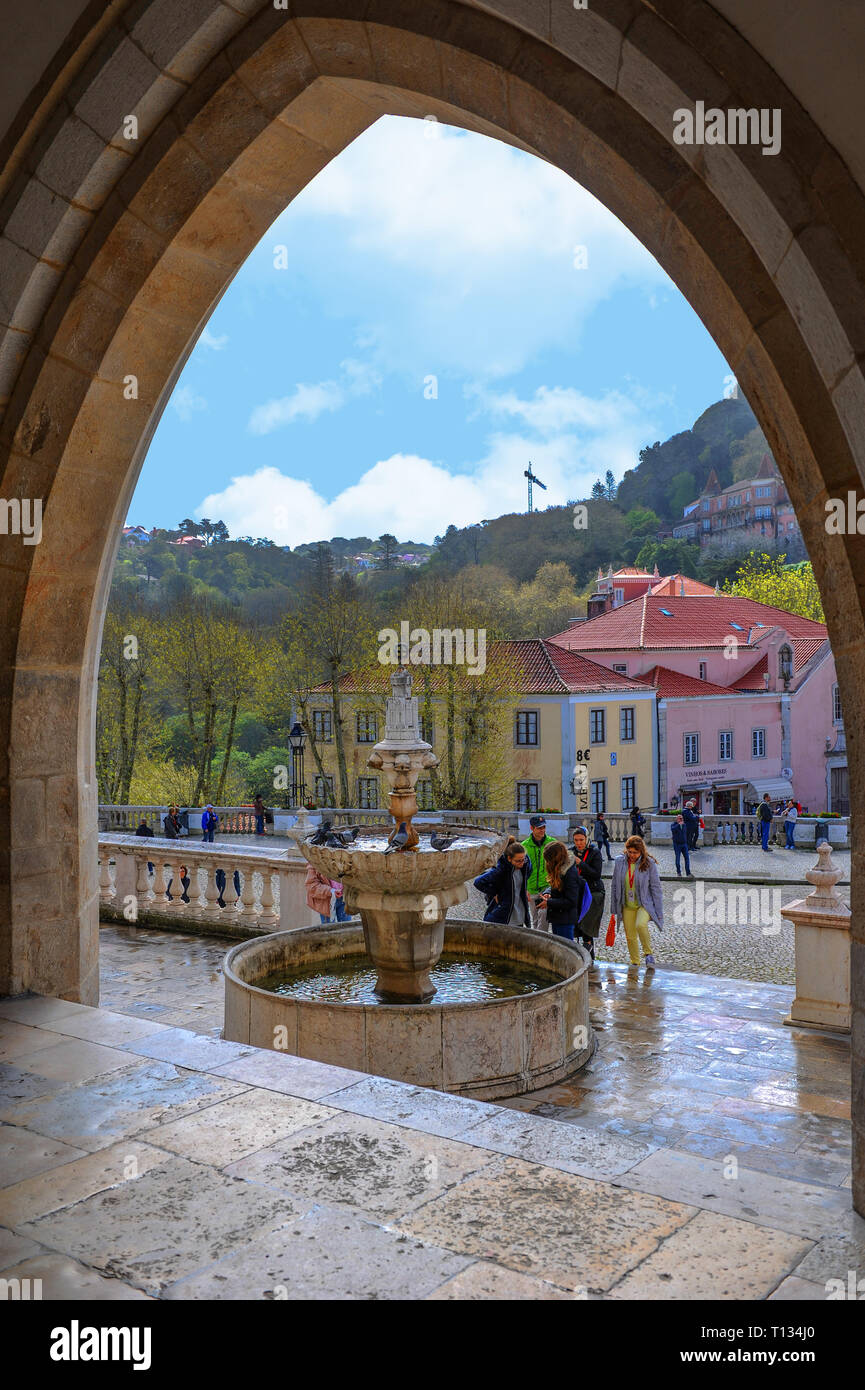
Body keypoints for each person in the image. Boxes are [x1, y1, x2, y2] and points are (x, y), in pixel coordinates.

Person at [610, 835, 664, 970]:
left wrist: (658, 911)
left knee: (640, 925)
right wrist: (614, 908)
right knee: (630, 936)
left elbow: (656, 888)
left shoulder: (649, 863)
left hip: (644, 904)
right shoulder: (619, 862)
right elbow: (614, 885)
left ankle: (648, 954)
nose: (632, 855)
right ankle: (635, 962)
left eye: (635, 852)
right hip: (627, 904)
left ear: (641, 852)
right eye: (630, 852)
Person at [538, 840, 591, 943]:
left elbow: (571, 901)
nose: (547, 863)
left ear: (555, 859)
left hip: (565, 920)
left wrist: (549, 902)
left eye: (548, 860)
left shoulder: (569, 874)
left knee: (565, 949)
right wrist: (548, 893)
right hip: (558, 917)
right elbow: (555, 886)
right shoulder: (561, 868)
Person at [473, 837, 531, 927]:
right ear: (509, 859)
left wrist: (524, 888)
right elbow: (478, 882)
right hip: (503, 915)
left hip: (520, 915)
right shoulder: (501, 869)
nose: (522, 863)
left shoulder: (526, 866)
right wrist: (494, 892)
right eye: (518, 861)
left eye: (523, 859)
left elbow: (528, 872)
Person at [570, 825, 605, 958]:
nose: (579, 843)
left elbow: (596, 874)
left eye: (581, 840)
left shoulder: (595, 852)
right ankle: (583, 957)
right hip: (576, 892)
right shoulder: (570, 852)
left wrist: (580, 863)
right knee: (577, 925)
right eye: (576, 840)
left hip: (592, 892)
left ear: (587, 839)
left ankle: (590, 956)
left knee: (587, 925)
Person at [521, 815, 556, 926]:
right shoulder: (524, 846)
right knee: (535, 918)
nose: (542, 830)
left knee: (544, 915)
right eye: (539, 828)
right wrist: (524, 888)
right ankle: (537, 939)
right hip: (531, 889)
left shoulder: (552, 843)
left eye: (544, 827)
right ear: (532, 828)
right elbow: (521, 869)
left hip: (547, 887)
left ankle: (542, 940)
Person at [671, 813, 694, 878]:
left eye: (682, 818)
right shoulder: (674, 825)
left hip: (684, 844)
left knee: (687, 858)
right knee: (677, 859)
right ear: (677, 819)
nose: (681, 820)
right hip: (677, 844)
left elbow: (686, 833)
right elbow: (673, 830)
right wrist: (679, 824)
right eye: (680, 818)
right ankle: (678, 872)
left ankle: (688, 873)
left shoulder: (684, 825)